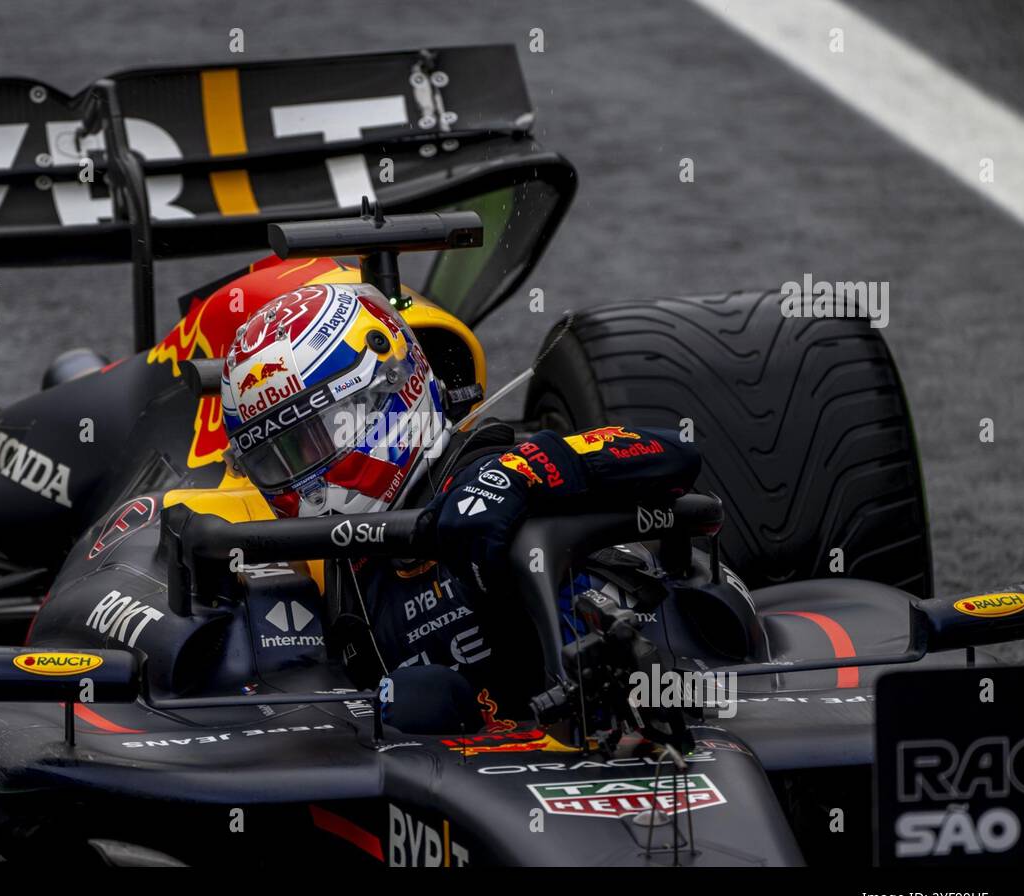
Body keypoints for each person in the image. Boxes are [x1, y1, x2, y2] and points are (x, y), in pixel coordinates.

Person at [221, 283, 700, 732]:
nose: (302, 474)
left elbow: (675, 455)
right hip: (495, 771)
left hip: (671, 696)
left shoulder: (493, 474)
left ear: (388, 393)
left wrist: (524, 471)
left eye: (312, 440)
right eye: (276, 455)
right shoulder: (333, 574)